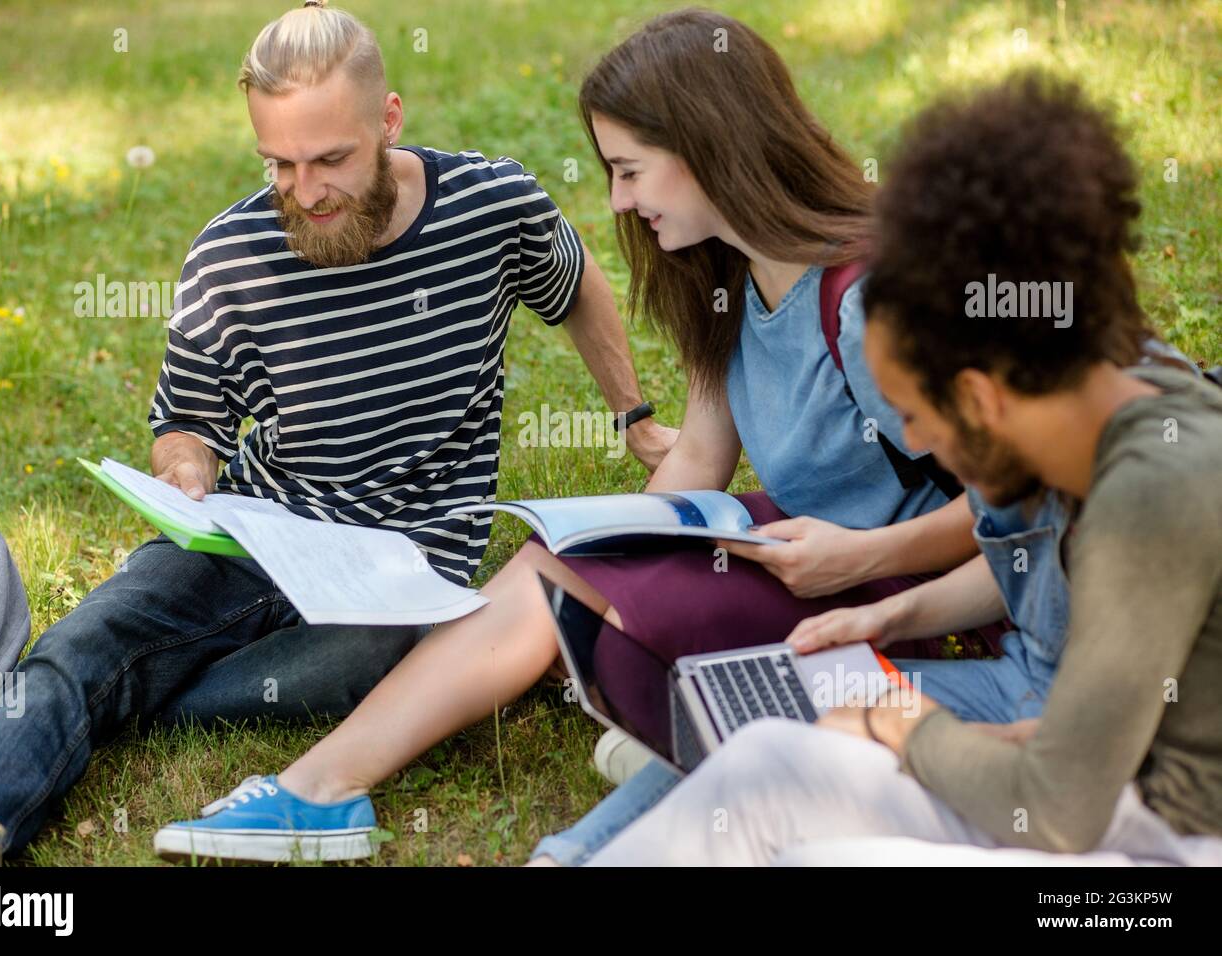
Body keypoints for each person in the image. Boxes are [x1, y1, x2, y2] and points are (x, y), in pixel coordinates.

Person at [155, 9, 1035, 865]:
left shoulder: (871, 299)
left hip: (912, 592)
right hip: (812, 554)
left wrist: (862, 553)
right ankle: (326, 788)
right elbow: (700, 456)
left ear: (712, 153)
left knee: (575, 619)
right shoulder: (725, 277)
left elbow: (1017, 513)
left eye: (631, 170)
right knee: (568, 595)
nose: (617, 199)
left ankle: (327, 790)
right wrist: (610, 551)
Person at [0, 2, 672, 867]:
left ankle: (98, 703)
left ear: (388, 120)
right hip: (255, 534)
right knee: (83, 646)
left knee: (330, 678)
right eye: (278, 162)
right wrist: (186, 470)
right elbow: (189, 423)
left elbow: (576, 287)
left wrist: (635, 418)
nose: (305, 191)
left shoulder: (490, 208)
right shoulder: (230, 254)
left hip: (402, 574)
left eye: (330, 160)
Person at [585, 72, 1222, 866]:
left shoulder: (1158, 486)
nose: (912, 442)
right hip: (1058, 747)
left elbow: (1058, 811)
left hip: (1151, 845)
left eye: (913, 415)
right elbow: (1040, 570)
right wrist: (890, 623)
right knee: (764, 748)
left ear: (980, 397)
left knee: (811, 845)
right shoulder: (1072, 390)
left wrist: (899, 724)